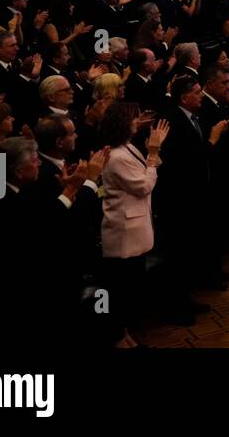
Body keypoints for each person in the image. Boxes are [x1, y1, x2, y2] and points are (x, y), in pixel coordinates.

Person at [99, 105, 169, 347]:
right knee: (120, 290)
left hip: (135, 226)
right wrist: (153, 152)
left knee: (129, 290)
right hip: (123, 231)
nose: (137, 121)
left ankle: (125, 333)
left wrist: (151, 155)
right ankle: (118, 336)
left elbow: (148, 170)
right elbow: (142, 186)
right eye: (134, 118)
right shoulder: (117, 156)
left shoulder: (126, 147)